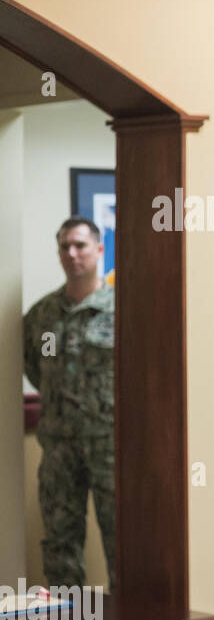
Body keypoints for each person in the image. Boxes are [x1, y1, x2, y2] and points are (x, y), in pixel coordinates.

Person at [23, 216, 116, 593]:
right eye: (64, 246)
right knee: (60, 548)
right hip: (59, 448)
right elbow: (34, 368)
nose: (71, 253)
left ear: (99, 250)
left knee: (124, 545)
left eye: (80, 245)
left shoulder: (121, 310)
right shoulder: (42, 316)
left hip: (112, 448)